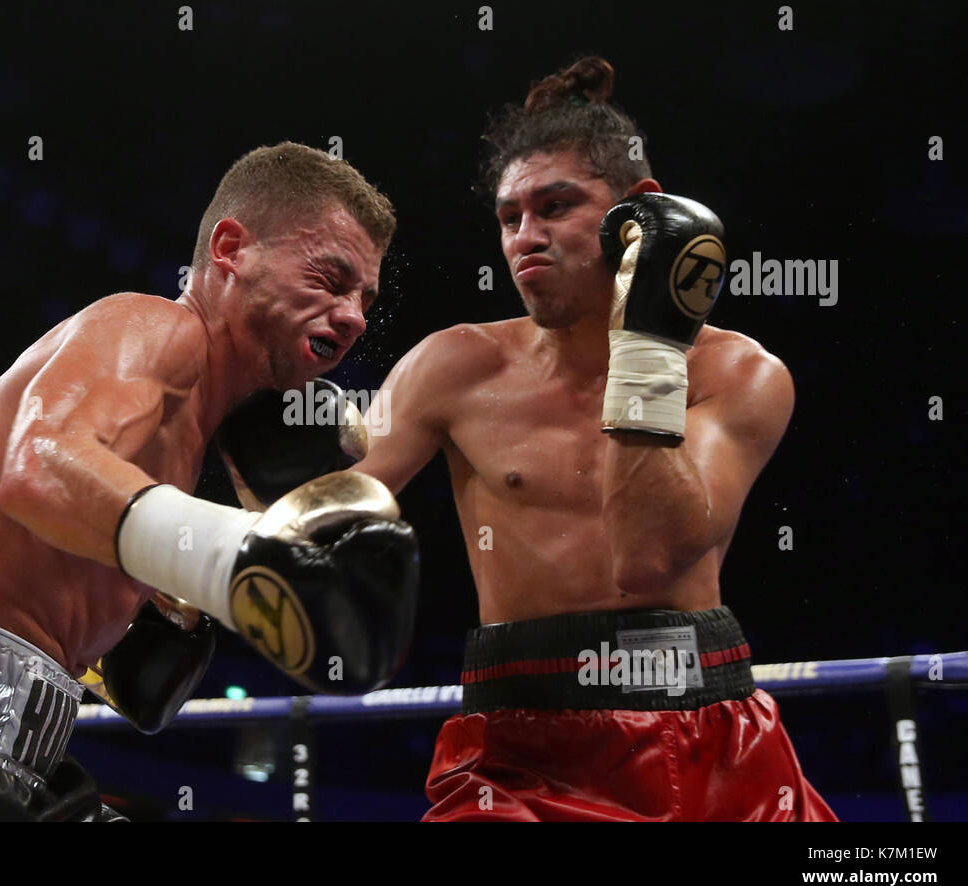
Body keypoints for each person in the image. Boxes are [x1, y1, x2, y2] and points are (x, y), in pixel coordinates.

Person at [0, 141, 419, 821]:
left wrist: (137, 617)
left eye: (365, 297)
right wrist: (234, 550)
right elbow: (36, 467)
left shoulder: (175, 440)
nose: (355, 316)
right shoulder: (155, 326)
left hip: (13, 748)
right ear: (230, 249)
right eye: (330, 280)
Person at [354, 57, 836, 821]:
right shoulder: (452, 365)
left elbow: (649, 557)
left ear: (640, 212)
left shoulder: (741, 373)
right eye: (509, 217)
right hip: (519, 757)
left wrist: (646, 340)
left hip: (713, 741)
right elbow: (330, 507)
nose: (525, 237)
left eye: (555, 206)